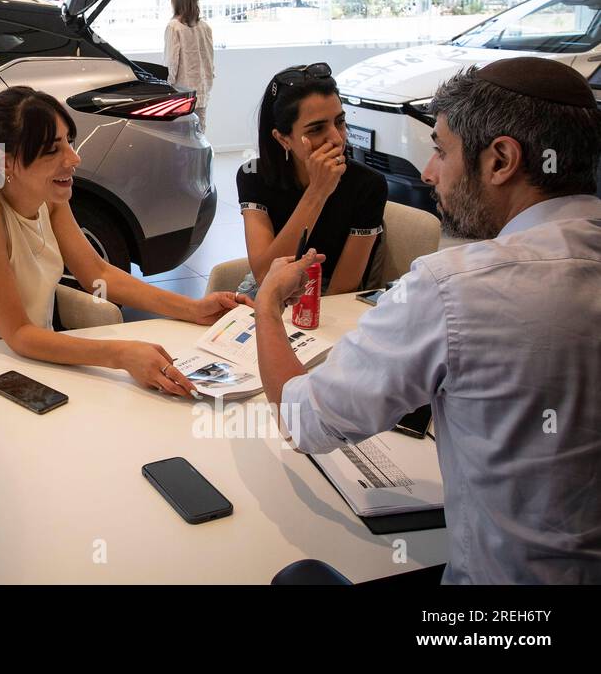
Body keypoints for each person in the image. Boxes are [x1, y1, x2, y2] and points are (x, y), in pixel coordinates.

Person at [253, 57, 601, 585]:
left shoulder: (456, 287)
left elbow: (305, 419)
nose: (428, 173)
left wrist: (266, 312)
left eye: (441, 150)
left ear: (501, 159)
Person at [0, 86, 251, 396]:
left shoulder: (49, 199)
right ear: (4, 162)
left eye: (69, 141)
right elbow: (19, 334)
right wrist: (120, 354)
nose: (73, 158)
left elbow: (97, 274)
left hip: (41, 360)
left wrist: (193, 308)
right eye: (52, 150)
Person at [236, 63, 386, 297]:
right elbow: (265, 275)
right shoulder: (253, 175)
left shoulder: (367, 185)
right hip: (269, 292)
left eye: (340, 122)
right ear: (283, 139)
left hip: (330, 301)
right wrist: (317, 192)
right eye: (316, 129)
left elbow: (344, 289)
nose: (336, 138)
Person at [164, 0, 214, 131]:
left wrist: (168, 86)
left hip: (182, 91)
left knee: (181, 134)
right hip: (202, 88)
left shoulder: (174, 27)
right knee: (199, 132)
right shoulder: (204, 27)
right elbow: (209, 59)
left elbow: (171, 62)